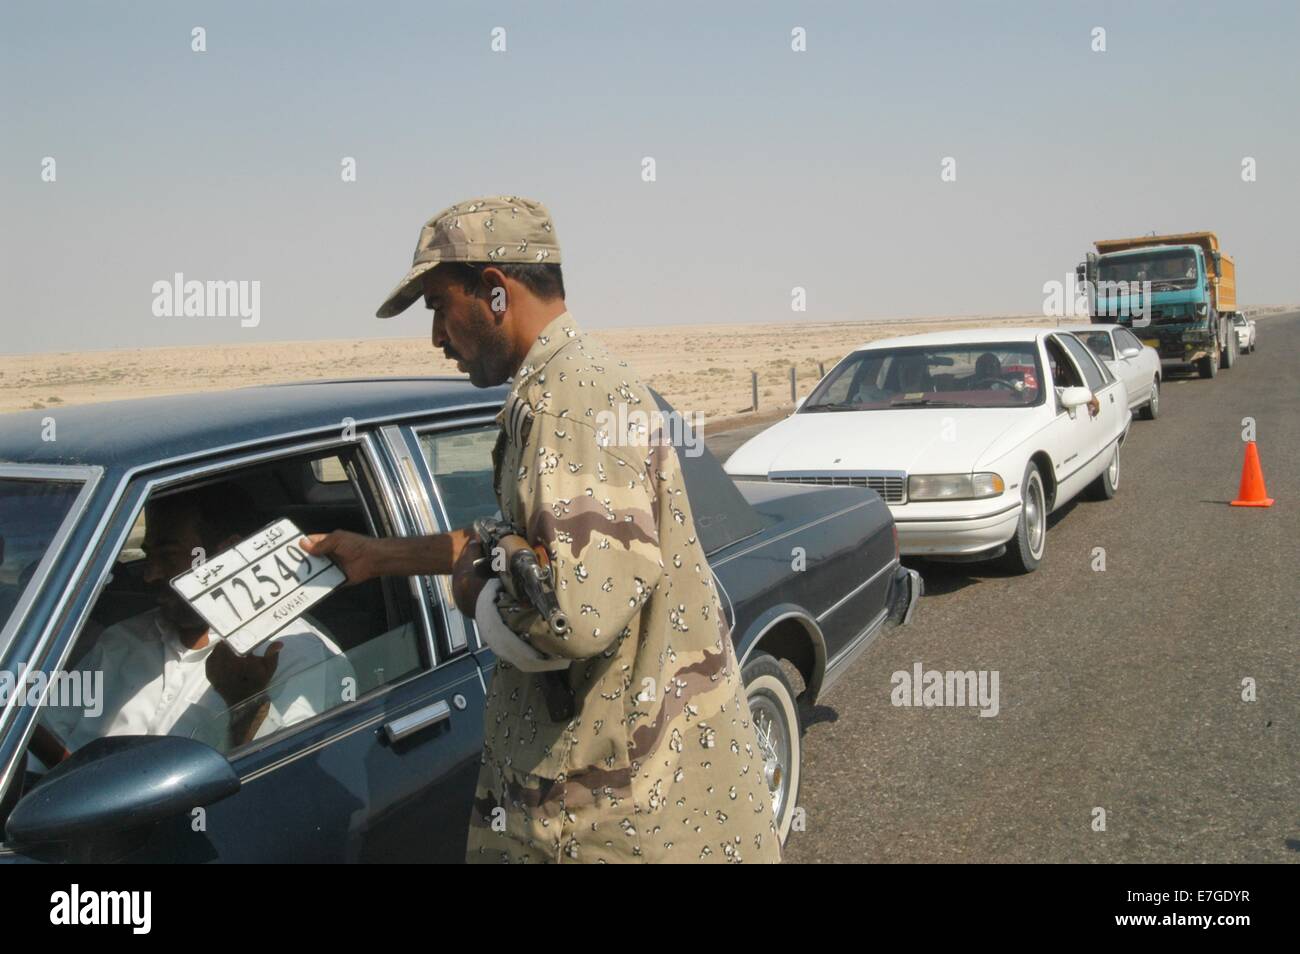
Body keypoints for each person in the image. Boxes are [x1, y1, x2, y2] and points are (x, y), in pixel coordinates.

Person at [302, 196, 781, 863]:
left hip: (604, 820)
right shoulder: (577, 382)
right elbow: (521, 546)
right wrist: (378, 556)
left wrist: (474, 595)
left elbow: (573, 617)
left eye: (440, 306)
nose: (436, 339)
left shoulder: (565, 402)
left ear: (495, 293)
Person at [33, 483, 344, 765]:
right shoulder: (120, 641)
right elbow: (42, 737)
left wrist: (245, 707)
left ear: (226, 554)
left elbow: (285, 784)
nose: (149, 574)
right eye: (148, 556)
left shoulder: (296, 652)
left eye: (168, 556)